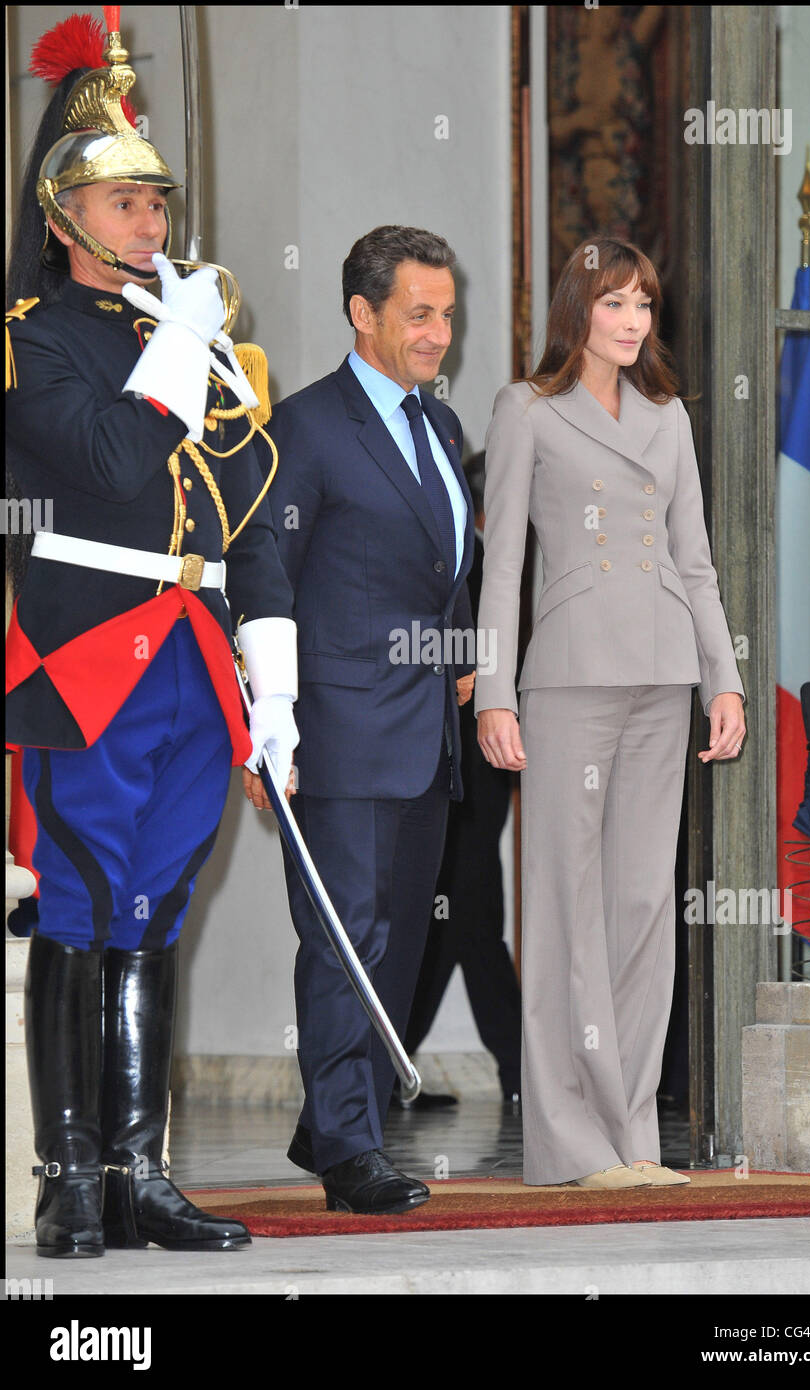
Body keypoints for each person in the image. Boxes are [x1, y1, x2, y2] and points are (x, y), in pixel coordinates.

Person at [5, 13, 298, 1257]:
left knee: (154, 904)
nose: (150, 225)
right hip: (85, 652)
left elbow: (252, 512)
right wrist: (184, 338)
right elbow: (121, 458)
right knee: (78, 899)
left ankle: (137, 1170)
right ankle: (67, 1173)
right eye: (124, 204)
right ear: (64, 212)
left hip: (191, 652)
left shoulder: (201, 349)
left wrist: (272, 685)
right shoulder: (31, 338)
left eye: (156, 203)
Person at [474, 235, 746, 1190]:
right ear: (577, 311)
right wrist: (494, 691)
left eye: (643, 305)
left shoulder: (667, 417)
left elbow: (697, 559)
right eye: (614, 303)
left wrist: (725, 679)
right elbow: (501, 563)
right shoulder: (525, 409)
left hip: (663, 670)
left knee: (638, 909)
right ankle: (569, 1143)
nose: (632, 322)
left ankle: (633, 1135)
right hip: (569, 678)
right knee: (563, 908)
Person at [249, 225, 475, 1214]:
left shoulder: (444, 427)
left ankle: (334, 1121)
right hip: (337, 735)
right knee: (345, 937)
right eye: (418, 314)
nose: (437, 333)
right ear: (362, 312)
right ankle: (349, 1149)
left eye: (446, 313)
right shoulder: (304, 426)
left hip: (426, 733)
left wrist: (462, 655)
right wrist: (273, 717)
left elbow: (443, 569)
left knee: (395, 945)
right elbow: (261, 570)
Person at [403, 452, 522, 1106]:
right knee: (466, 921)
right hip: (464, 772)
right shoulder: (472, 562)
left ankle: (396, 1066)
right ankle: (516, 1072)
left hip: (469, 771)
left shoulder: (478, 559)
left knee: (464, 922)